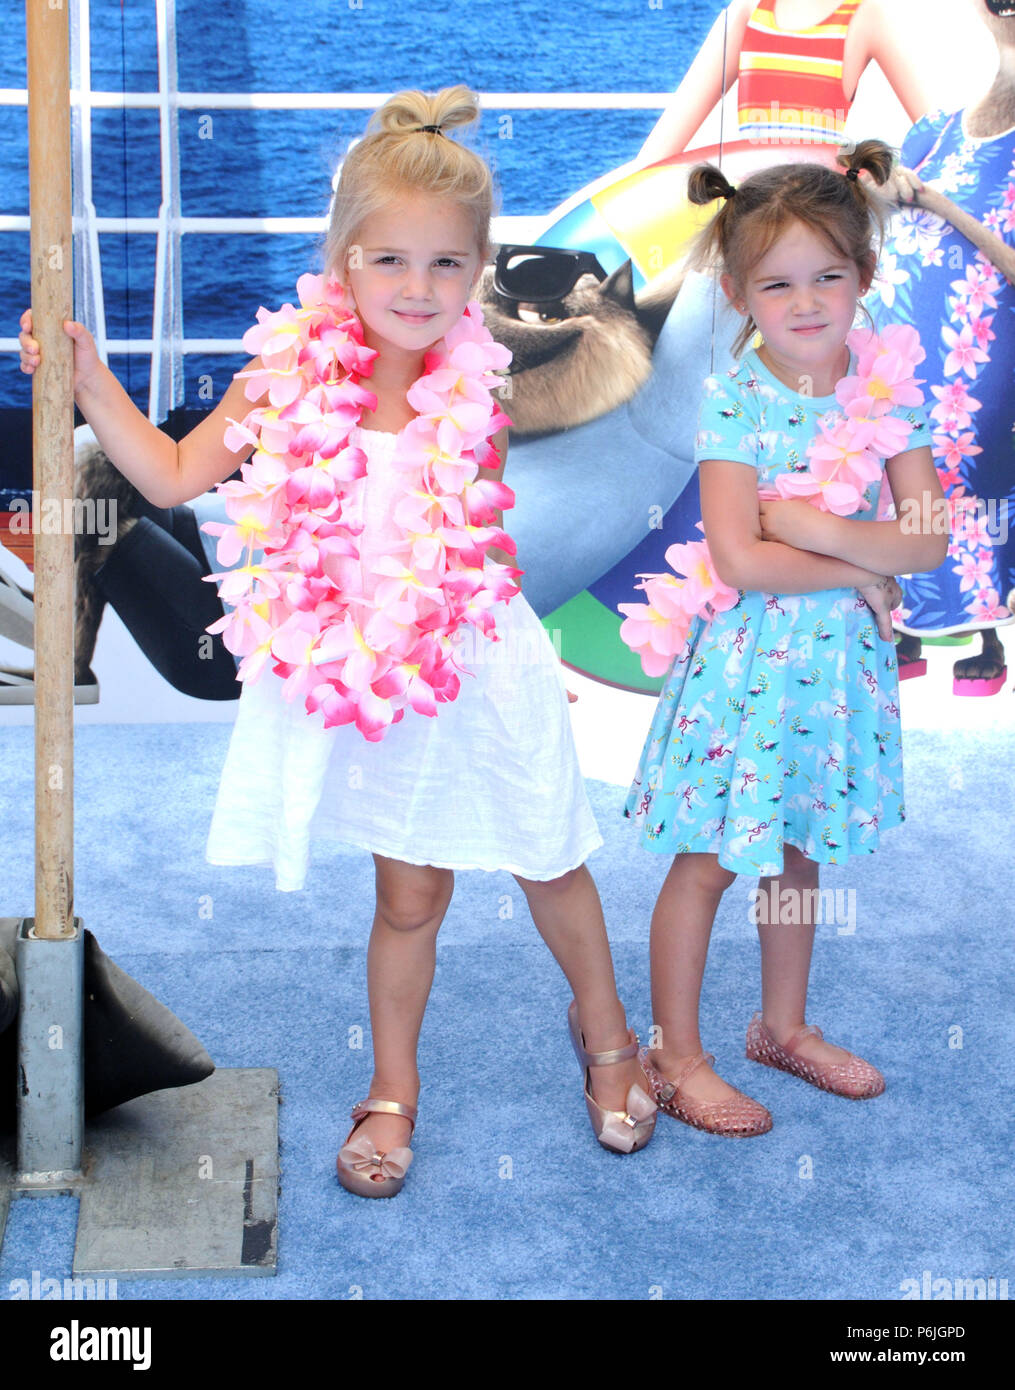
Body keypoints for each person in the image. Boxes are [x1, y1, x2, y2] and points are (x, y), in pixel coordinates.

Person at [18, 86, 656, 1195]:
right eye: (391, 262)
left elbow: (489, 533)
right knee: (409, 895)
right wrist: (88, 379)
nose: (419, 289)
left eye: (448, 266)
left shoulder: (483, 379)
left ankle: (605, 1034)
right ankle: (392, 1088)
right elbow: (172, 474)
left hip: (479, 658)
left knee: (550, 857)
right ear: (343, 259)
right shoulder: (288, 378)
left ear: (478, 271)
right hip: (374, 673)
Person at [623, 140, 947, 1135]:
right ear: (736, 292)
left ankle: (782, 1024)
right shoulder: (735, 398)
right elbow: (739, 560)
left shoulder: (885, 387)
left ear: (864, 277)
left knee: (799, 850)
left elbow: (926, 540)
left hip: (836, 674)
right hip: (746, 675)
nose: (805, 303)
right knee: (711, 858)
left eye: (827, 277)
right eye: (777, 284)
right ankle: (676, 1054)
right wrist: (859, 564)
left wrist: (815, 527)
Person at [870, 0, 1015, 694]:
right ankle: (905, 622)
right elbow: (875, 196)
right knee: (898, 460)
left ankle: (982, 626)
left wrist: (935, 205)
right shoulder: (937, 128)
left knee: (966, 463)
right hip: (902, 329)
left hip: (979, 340)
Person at [637, 0, 931, 165]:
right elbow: (656, 154)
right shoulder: (747, 14)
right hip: (752, 216)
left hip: (821, 215)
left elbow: (938, 134)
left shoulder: (865, 17)